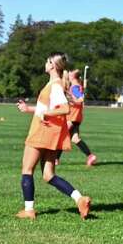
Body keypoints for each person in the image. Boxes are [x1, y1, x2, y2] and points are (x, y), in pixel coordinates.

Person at [15, 53, 91, 220]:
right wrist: (28, 109)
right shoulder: (55, 84)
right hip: (52, 133)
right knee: (48, 175)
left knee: (27, 170)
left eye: (47, 61)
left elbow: (64, 108)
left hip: (42, 131)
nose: (45, 63)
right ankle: (80, 199)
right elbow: (46, 107)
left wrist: (46, 114)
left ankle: (29, 210)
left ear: (52, 66)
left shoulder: (55, 85)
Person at [66, 69, 96, 166]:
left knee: (61, 135)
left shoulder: (74, 87)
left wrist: (71, 100)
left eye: (70, 74)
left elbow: (80, 99)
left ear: (73, 76)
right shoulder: (78, 86)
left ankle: (55, 159)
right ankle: (90, 156)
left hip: (72, 116)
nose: (68, 76)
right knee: (75, 138)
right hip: (77, 116)